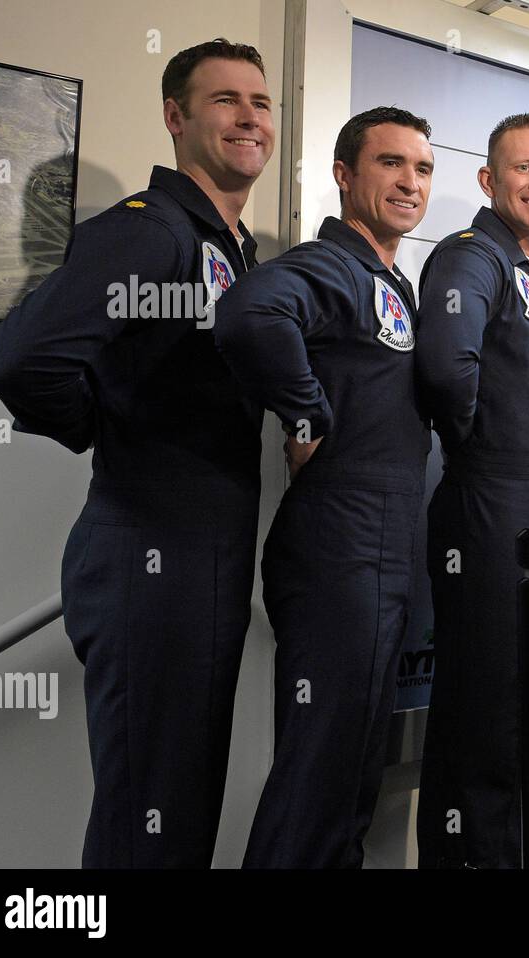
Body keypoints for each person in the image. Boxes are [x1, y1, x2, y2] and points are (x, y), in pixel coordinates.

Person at [0, 39, 275, 867]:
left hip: (198, 563)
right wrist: (103, 423)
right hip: (152, 558)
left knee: (175, 818)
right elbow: (17, 360)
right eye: (225, 101)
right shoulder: (152, 231)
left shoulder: (227, 245)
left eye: (259, 102)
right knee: (149, 823)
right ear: (176, 117)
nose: (249, 117)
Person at [211, 106, 434, 867]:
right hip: (342, 546)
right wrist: (305, 416)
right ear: (344, 175)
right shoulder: (333, 265)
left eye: (421, 168)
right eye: (390, 164)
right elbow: (249, 311)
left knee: (348, 784)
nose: (409, 182)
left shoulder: (389, 279)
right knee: (319, 779)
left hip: (380, 550)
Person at [413, 113, 529, 868]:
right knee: (483, 719)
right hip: (490, 513)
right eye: (524, 169)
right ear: (489, 180)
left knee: (523, 719)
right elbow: (450, 367)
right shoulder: (471, 255)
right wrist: (480, 445)